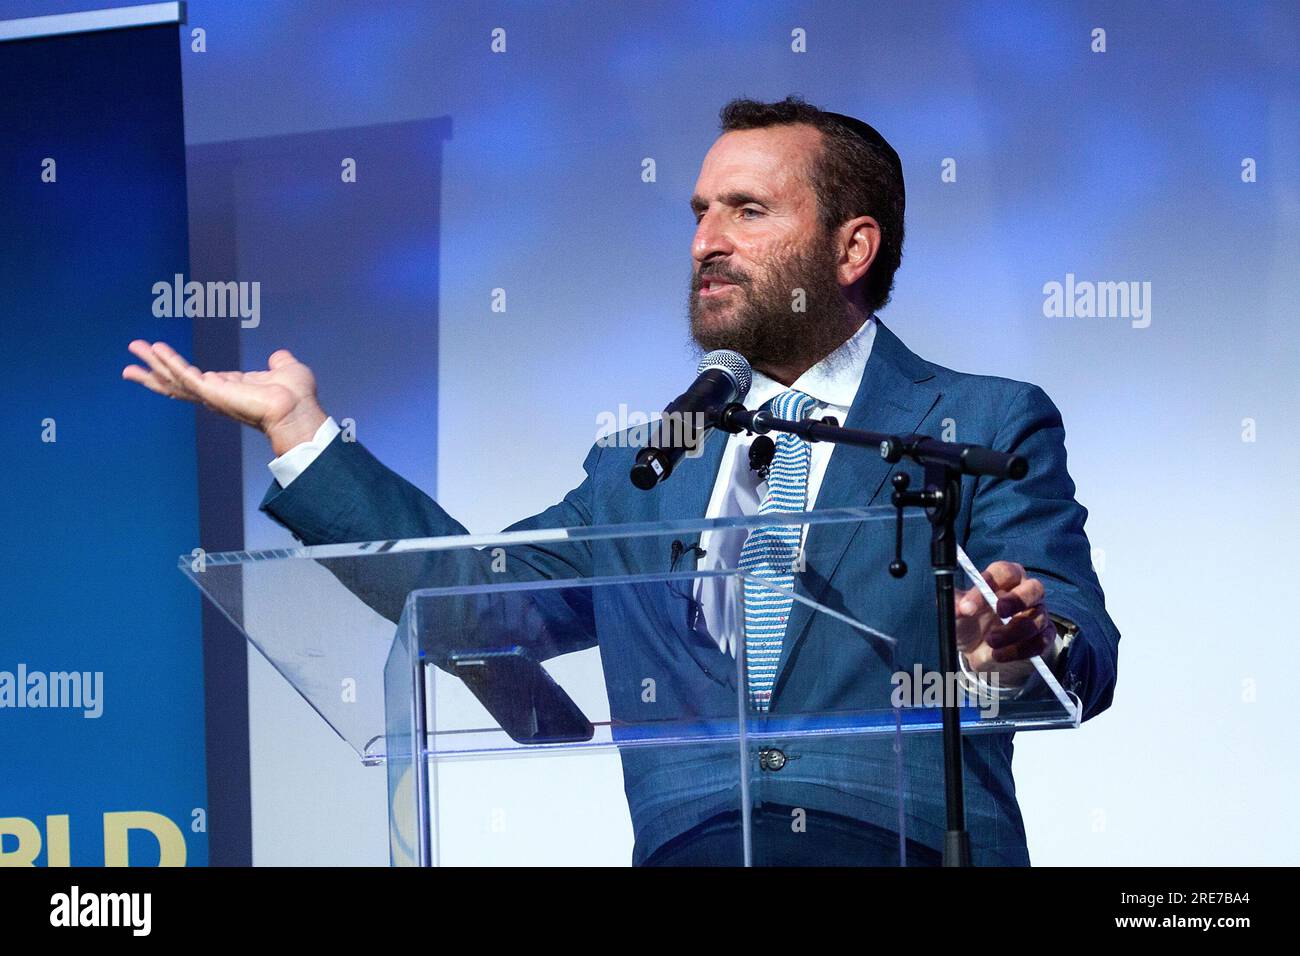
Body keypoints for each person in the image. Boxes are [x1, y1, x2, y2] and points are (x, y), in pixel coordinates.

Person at [124, 95, 1119, 866]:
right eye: (698, 214)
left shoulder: (977, 422)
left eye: (746, 210)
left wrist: (1009, 649)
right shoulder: (644, 466)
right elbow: (471, 607)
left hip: (897, 842)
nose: (705, 241)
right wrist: (302, 435)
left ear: (852, 246)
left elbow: (1080, 652)